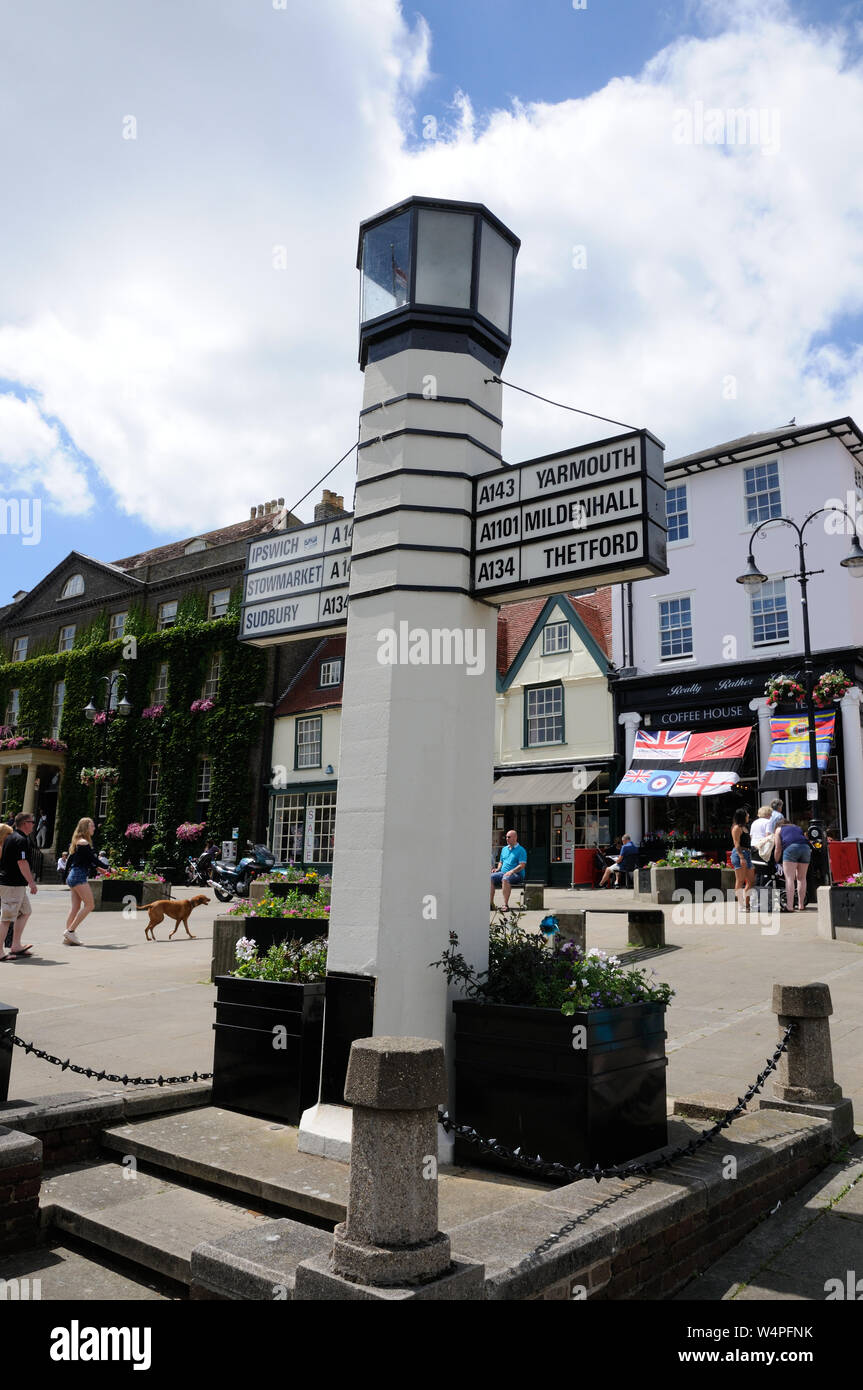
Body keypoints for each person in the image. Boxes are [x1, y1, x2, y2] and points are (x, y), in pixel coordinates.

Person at [0, 811, 38, 959]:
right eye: (32, 822)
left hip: (15, 885)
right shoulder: (21, 840)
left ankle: (16, 945)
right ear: (25, 823)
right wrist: (32, 882)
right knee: (7, 919)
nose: (33, 825)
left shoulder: (11, 838)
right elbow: (22, 863)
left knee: (26, 911)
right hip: (12, 885)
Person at [63, 817, 106, 945]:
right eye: (92, 826)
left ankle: (68, 938)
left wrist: (100, 869)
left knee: (75, 908)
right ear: (86, 828)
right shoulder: (83, 842)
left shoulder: (78, 841)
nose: (94, 828)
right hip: (78, 876)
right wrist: (107, 867)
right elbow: (93, 859)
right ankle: (70, 932)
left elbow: (84, 860)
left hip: (74, 875)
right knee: (90, 905)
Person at [773, 817, 812, 911]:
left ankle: (789, 906)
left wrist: (776, 861)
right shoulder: (797, 827)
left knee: (789, 878)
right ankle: (801, 905)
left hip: (791, 848)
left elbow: (778, 849)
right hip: (806, 848)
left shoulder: (779, 829)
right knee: (802, 878)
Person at [490, 828, 528, 909]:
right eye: (506, 837)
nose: (507, 839)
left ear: (515, 838)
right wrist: (497, 869)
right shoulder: (504, 849)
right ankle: (490, 904)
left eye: (509, 837)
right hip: (503, 872)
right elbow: (501, 861)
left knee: (505, 878)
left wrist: (511, 871)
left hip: (517, 874)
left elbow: (522, 865)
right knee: (490, 877)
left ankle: (505, 904)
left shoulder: (521, 850)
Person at [730, 807, 755, 911]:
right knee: (740, 880)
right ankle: (741, 905)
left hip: (748, 853)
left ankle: (747, 903)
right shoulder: (736, 828)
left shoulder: (746, 827)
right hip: (740, 854)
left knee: (751, 881)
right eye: (746, 814)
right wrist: (741, 857)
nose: (748, 815)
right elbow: (736, 843)